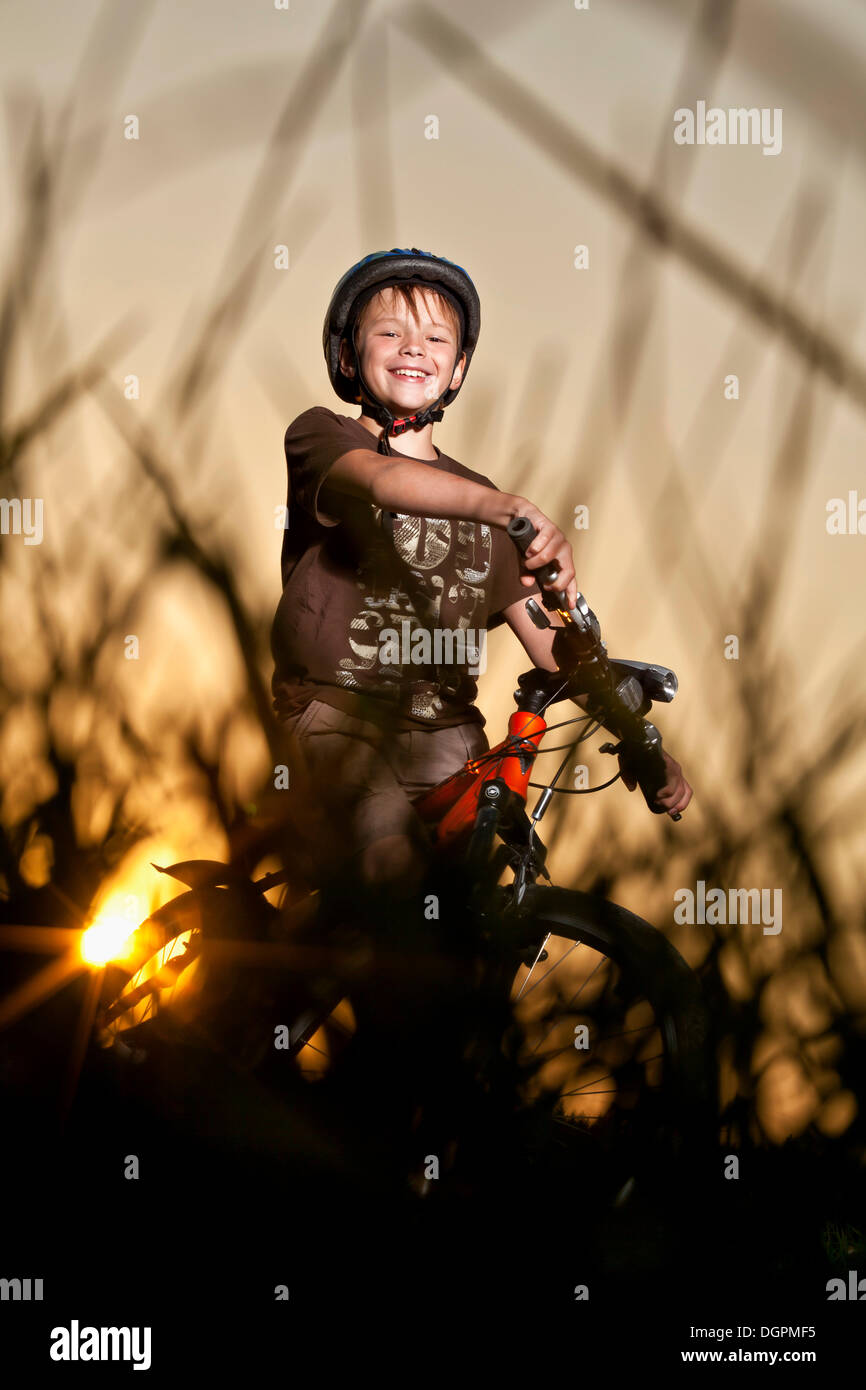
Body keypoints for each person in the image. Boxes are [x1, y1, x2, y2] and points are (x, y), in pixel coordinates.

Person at [267, 248, 692, 1169]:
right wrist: (508, 508)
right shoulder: (325, 443)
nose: (412, 347)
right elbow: (386, 486)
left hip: (443, 735)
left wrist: (645, 744)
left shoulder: (484, 516)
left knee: (456, 927)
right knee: (388, 875)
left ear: (459, 369)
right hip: (335, 719)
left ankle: (407, 1129)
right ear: (350, 354)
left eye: (436, 336)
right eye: (389, 330)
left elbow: (557, 648)